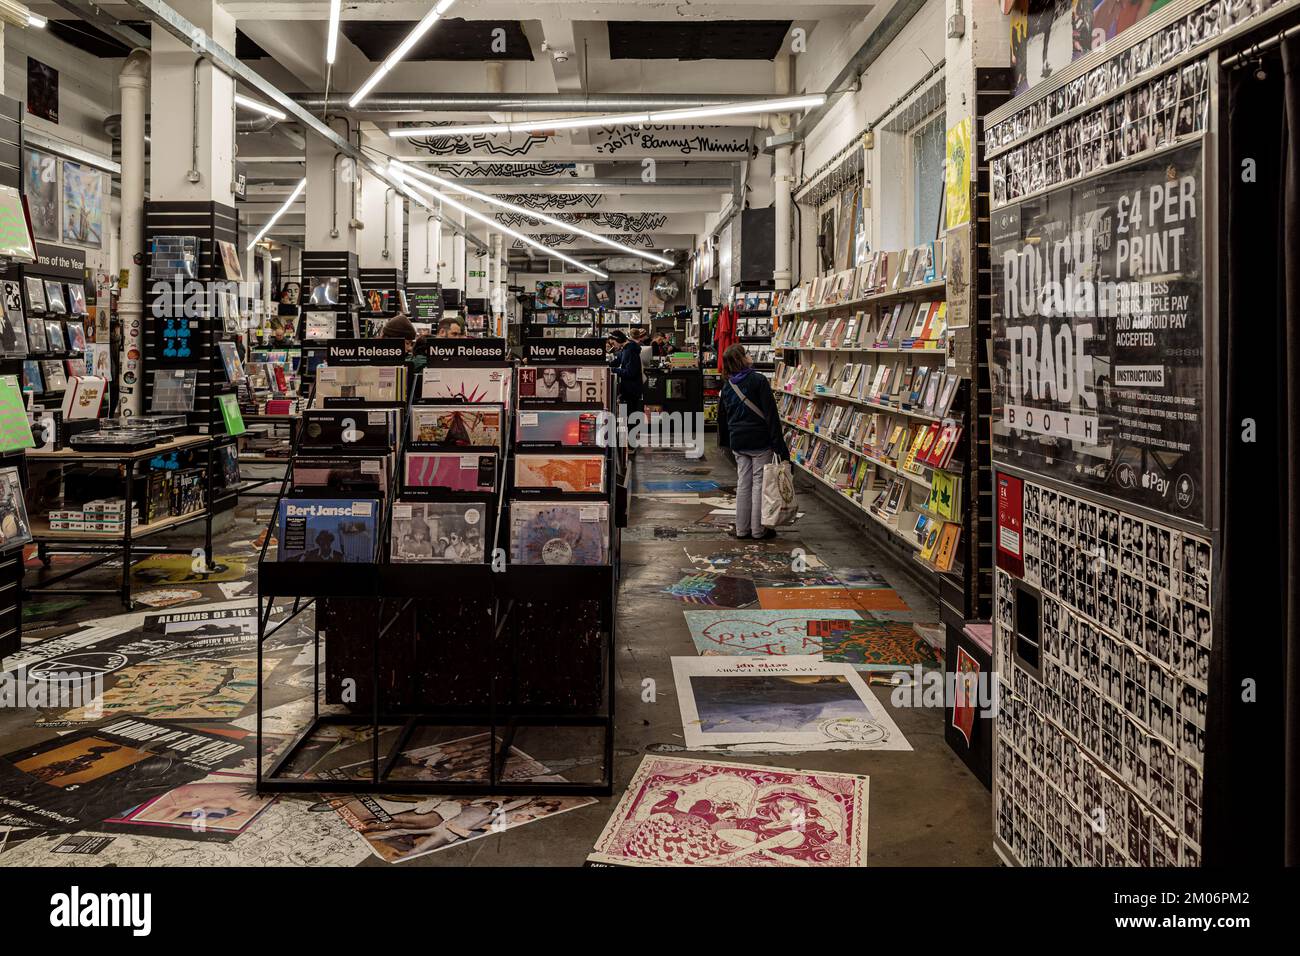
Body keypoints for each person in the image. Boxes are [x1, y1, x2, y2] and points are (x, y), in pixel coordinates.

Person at [719, 343, 789, 540]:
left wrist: (727, 443)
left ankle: (742, 529)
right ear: (742, 359)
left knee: (743, 484)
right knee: (759, 484)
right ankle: (758, 530)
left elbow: (723, 417)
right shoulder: (758, 380)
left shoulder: (728, 385)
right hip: (760, 440)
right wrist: (780, 446)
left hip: (738, 441)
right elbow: (771, 415)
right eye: (746, 353)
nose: (750, 355)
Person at [607, 329, 643, 439]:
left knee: (631, 414)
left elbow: (630, 372)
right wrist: (605, 364)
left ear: (618, 340)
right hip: (629, 388)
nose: (613, 346)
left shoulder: (630, 351)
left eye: (613, 343)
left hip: (631, 388)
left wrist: (613, 370)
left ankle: (632, 441)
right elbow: (618, 361)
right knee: (629, 414)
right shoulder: (625, 350)